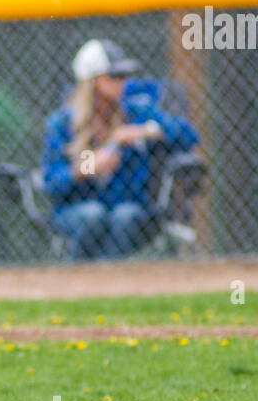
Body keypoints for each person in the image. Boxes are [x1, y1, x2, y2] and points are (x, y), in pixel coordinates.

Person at [41, 39, 199, 261]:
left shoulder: (135, 112)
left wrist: (146, 130)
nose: (123, 83)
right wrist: (87, 167)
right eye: (114, 76)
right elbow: (51, 180)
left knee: (125, 216)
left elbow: (188, 135)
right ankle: (77, 279)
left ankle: (110, 280)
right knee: (92, 215)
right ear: (93, 81)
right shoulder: (64, 123)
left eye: (124, 76)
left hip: (126, 204)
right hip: (76, 208)